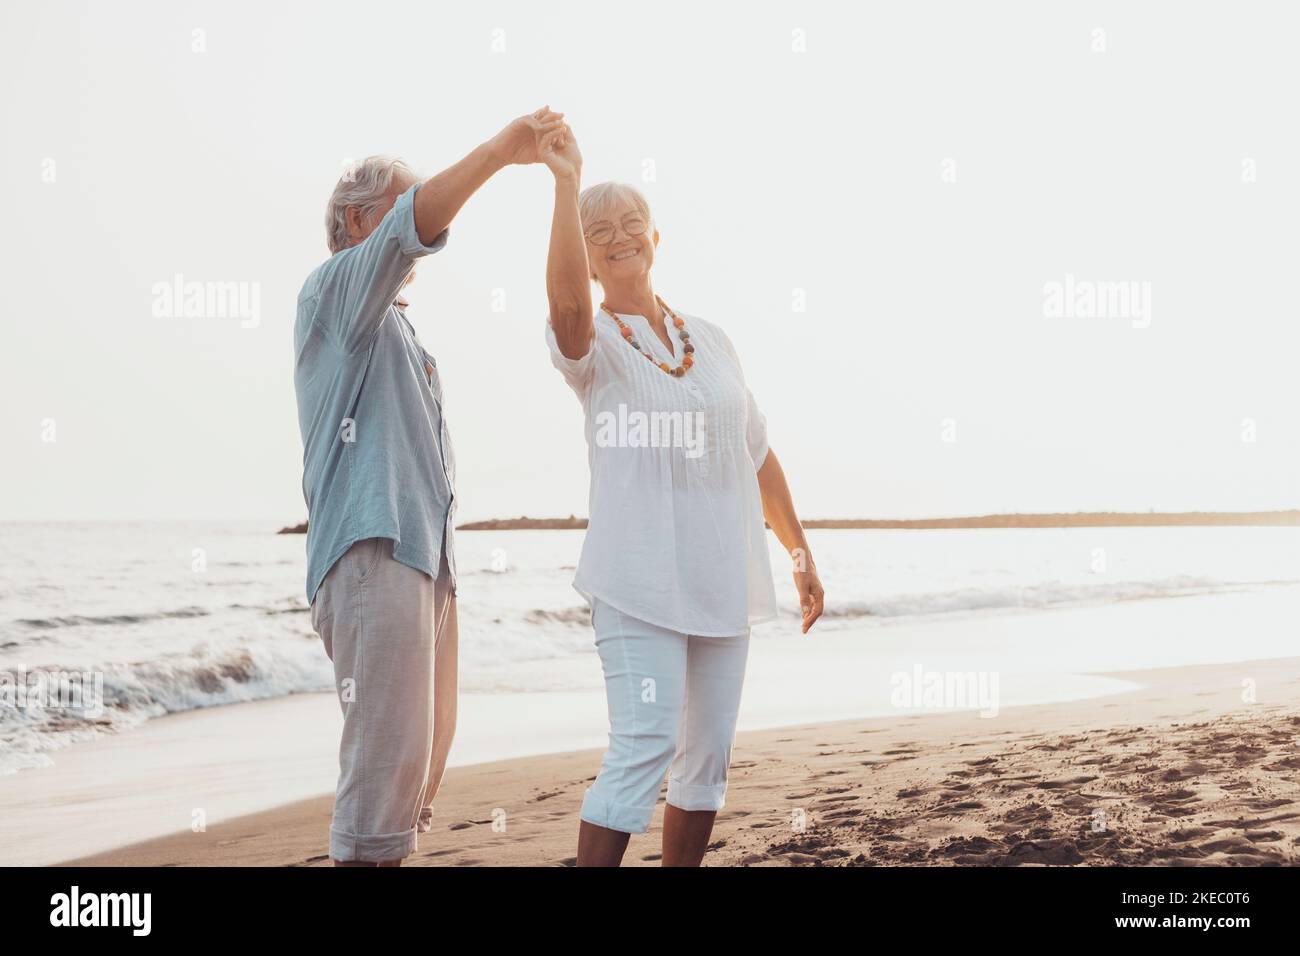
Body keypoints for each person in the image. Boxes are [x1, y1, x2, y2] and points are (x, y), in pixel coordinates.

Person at [538, 122, 826, 866]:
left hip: (720, 575)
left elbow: (757, 454)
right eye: (597, 231)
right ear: (587, 256)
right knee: (644, 746)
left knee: (707, 760)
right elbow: (567, 311)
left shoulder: (713, 338)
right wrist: (567, 182)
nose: (618, 235)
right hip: (637, 581)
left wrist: (798, 551)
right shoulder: (593, 345)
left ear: (658, 237)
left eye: (632, 221)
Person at [293, 107, 566, 866]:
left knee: (414, 774)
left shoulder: (398, 330)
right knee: (381, 783)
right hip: (371, 555)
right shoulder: (334, 295)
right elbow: (417, 224)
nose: (418, 229)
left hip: (420, 562)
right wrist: (500, 153)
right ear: (356, 223)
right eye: (398, 208)